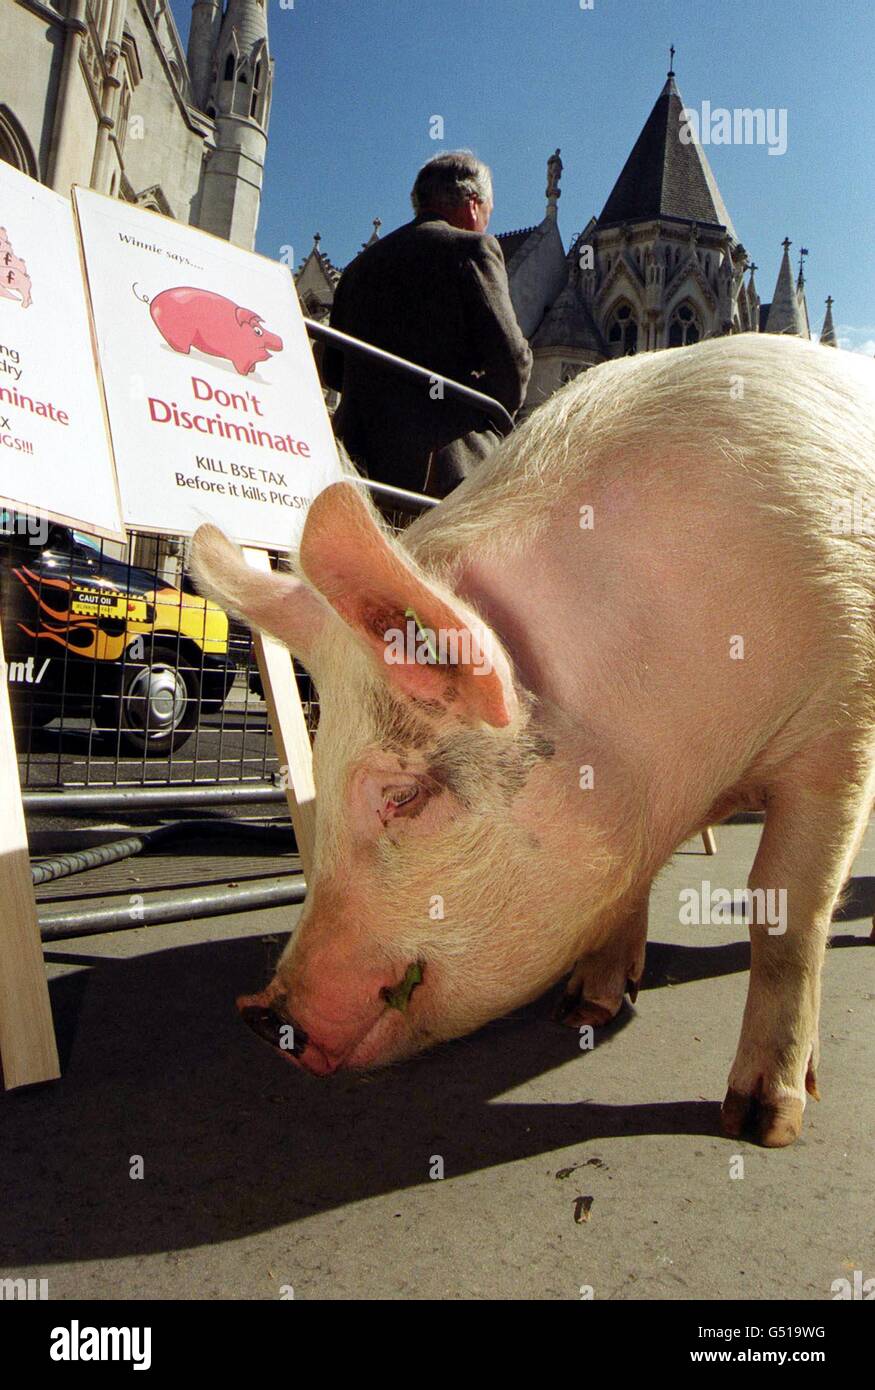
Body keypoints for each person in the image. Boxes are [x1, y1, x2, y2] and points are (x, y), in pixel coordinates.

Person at [321, 151, 532, 498]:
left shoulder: (359, 269)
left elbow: (331, 371)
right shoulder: (472, 249)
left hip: (354, 470)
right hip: (443, 474)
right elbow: (512, 362)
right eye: (488, 213)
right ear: (474, 205)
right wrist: (486, 410)